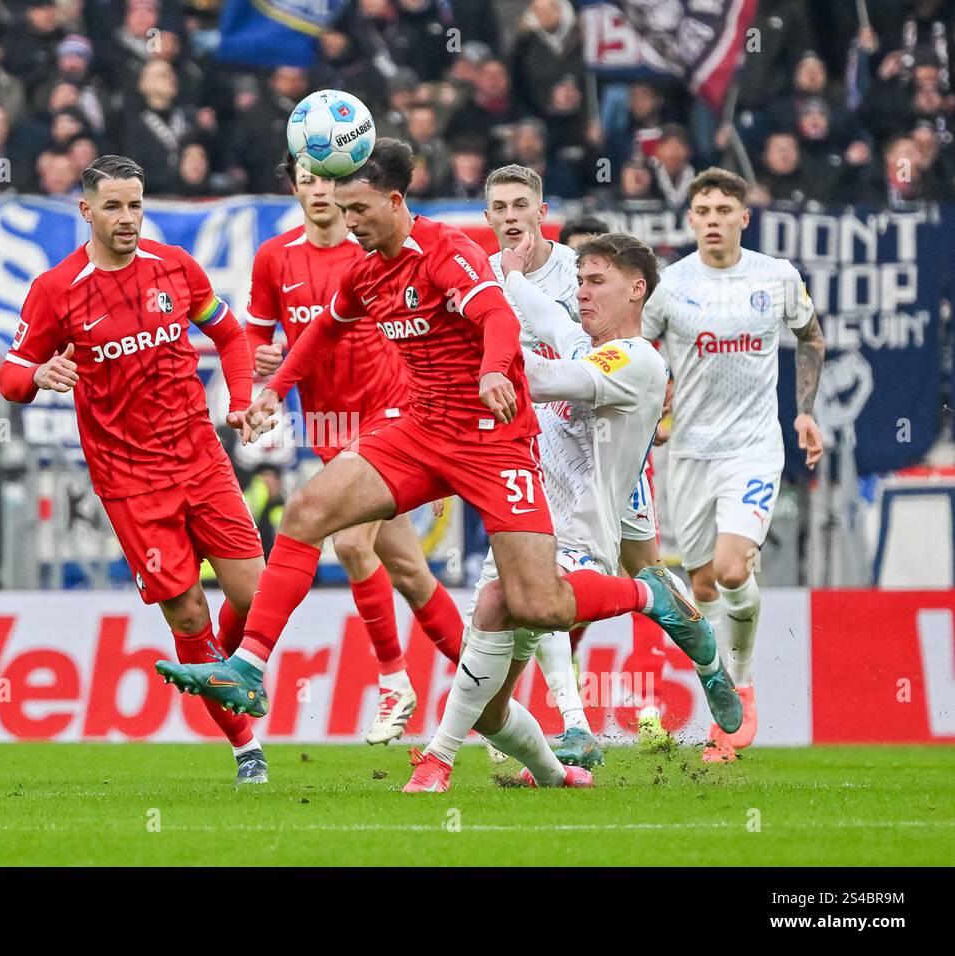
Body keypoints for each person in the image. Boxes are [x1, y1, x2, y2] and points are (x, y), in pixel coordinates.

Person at [153, 141, 714, 762]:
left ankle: (648, 595)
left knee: (538, 603)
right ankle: (251, 668)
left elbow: (497, 317)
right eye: (342, 209)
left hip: (493, 441)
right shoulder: (366, 269)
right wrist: (272, 393)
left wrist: (495, 371)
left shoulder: (447, 250)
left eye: (359, 209)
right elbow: (323, 331)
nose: (350, 222)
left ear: (395, 202)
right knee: (308, 512)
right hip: (419, 431)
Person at [410, 233, 741, 791]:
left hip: (580, 542)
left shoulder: (637, 360)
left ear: (637, 290)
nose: (581, 294)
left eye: (596, 282)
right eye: (580, 281)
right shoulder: (586, 345)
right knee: (491, 712)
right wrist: (510, 278)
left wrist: (476, 337)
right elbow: (547, 316)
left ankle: (437, 761)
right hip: (523, 528)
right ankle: (558, 774)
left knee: (497, 602)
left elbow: (539, 379)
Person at [0, 156, 271, 786]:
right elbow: (11, 376)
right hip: (129, 480)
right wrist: (38, 375)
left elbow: (231, 337)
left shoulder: (174, 267)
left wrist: (235, 399)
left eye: (136, 205)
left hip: (200, 456)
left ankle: (228, 671)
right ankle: (245, 749)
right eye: (114, 207)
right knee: (188, 617)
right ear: (86, 210)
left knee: (257, 599)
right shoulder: (56, 291)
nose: (127, 219)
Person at [246, 153, 464, 745]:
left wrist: (435, 449)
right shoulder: (274, 259)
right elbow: (258, 337)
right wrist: (258, 378)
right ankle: (486, 690)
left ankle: (394, 679)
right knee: (410, 572)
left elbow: (423, 338)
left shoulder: (372, 249)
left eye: (328, 181)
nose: (318, 192)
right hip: (328, 426)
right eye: (306, 181)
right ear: (292, 188)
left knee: (346, 541)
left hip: (392, 416)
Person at [481, 166, 666, 768]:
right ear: (488, 218)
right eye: (499, 207)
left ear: (541, 211)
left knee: (648, 570)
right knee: (533, 585)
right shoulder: (485, 279)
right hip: (529, 447)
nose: (511, 217)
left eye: (520, 205)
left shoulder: (576, 271)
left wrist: (654, 412)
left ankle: (680, 682)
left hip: (603, 447)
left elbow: (615, 345)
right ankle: (571, 723)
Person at [642, 167, 825, 763]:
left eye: (725, 210)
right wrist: (653, 416)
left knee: (728, 567)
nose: (715, 220)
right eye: (704, 211)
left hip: (753, 448)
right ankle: (722, 700)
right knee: (700, 587)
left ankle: (741, 685)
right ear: (690, 219)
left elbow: (812, 337)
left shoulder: (776, 277)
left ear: (744, 217)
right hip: (691, 453)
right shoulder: (669, 286)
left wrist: (804, 413)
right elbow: (637, 355)